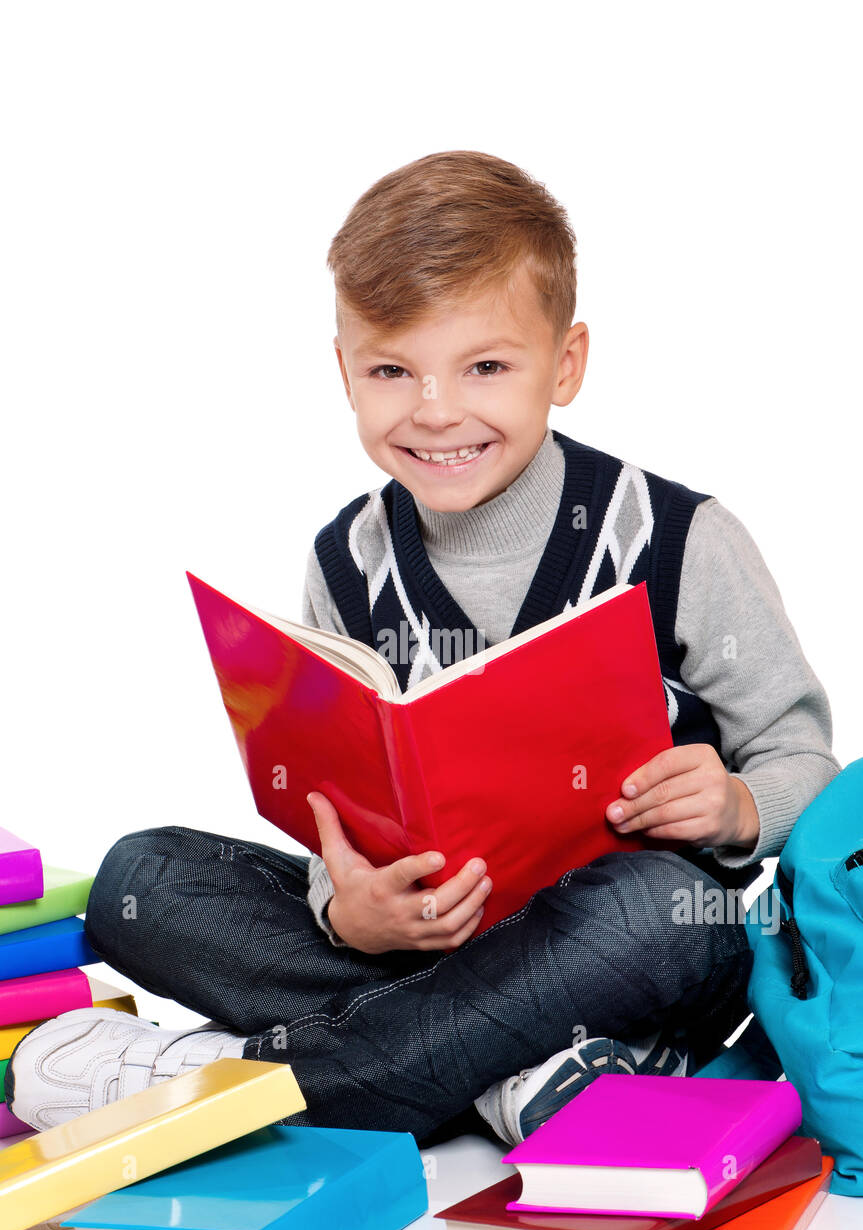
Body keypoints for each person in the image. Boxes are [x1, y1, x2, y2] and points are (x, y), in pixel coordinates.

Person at [6, 151, 840, 1147]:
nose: (435, 410)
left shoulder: (675, 537)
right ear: (342, 371)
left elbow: (806, 767)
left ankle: (245, 1075)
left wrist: (739, 805)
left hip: (615, 943)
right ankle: (506, 1075)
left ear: (565, 363)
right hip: (406, 951)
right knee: (139, 880)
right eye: (392, 370)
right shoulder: (346, 557)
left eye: (485, 366)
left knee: (662, 910)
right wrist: (344, 905)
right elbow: (328, 803)